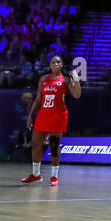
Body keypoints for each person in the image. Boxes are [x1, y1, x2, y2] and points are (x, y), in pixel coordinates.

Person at [22, 56, 81, 186]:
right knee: (35, 144)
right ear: (50, 65)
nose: (56, 63)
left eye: (59, 62)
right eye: (54, 62)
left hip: (58, 116)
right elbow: (38, 98)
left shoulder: (65, 80)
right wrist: (31, 115)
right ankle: (36, 174)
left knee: (54, 146)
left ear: (62, 65)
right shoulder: (43, 79)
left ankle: (54, 176)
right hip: (43, 115)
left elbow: (77, 95)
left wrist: (75, 78)